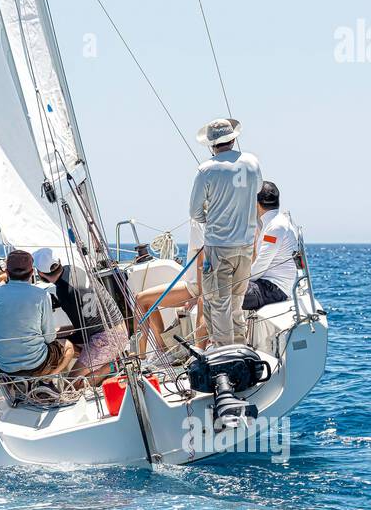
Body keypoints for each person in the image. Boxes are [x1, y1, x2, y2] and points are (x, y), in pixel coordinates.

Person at [189, 117, 262, 347]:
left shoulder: (206, 169)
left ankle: (226, 354)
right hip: (245, 247)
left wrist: (210, 218)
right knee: (236, 302)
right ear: (233, 138)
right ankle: (240, 348)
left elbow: (195, 212)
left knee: (218, 303)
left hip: (219, 248)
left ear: (211, 144)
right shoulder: (252, 162)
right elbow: (257, 190)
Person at [32, 248, 127, 384]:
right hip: (118, 328)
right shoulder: (72, 269)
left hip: (106, 339)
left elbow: (82, 332)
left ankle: (113, 365)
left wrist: (57, 338)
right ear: (58, 262)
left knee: (72, 384)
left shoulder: (65, 291)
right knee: (61, 338)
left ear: (40, 273)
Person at [0, 249, 74, 378]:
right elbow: (49, 337)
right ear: (32, 273)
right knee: (68, 347)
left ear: (7, 273)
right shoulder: (42, 295)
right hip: (36, 365)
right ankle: (46, 380)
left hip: (5, 367)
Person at [134, 218, 208, 360]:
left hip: (196, 286)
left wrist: (200, 294)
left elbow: (201, 259)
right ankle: (162, 351)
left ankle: (141, 358)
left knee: (141, 299)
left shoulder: (198, 220)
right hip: (203, 284)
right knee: (148, 301)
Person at [244, 181, 299, 311]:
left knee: (220, 295)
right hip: (266, 285)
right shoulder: (273, 223)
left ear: (256, 203)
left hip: (273, 289)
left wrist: (238, 281)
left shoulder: (276, 227)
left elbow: (261, 265)